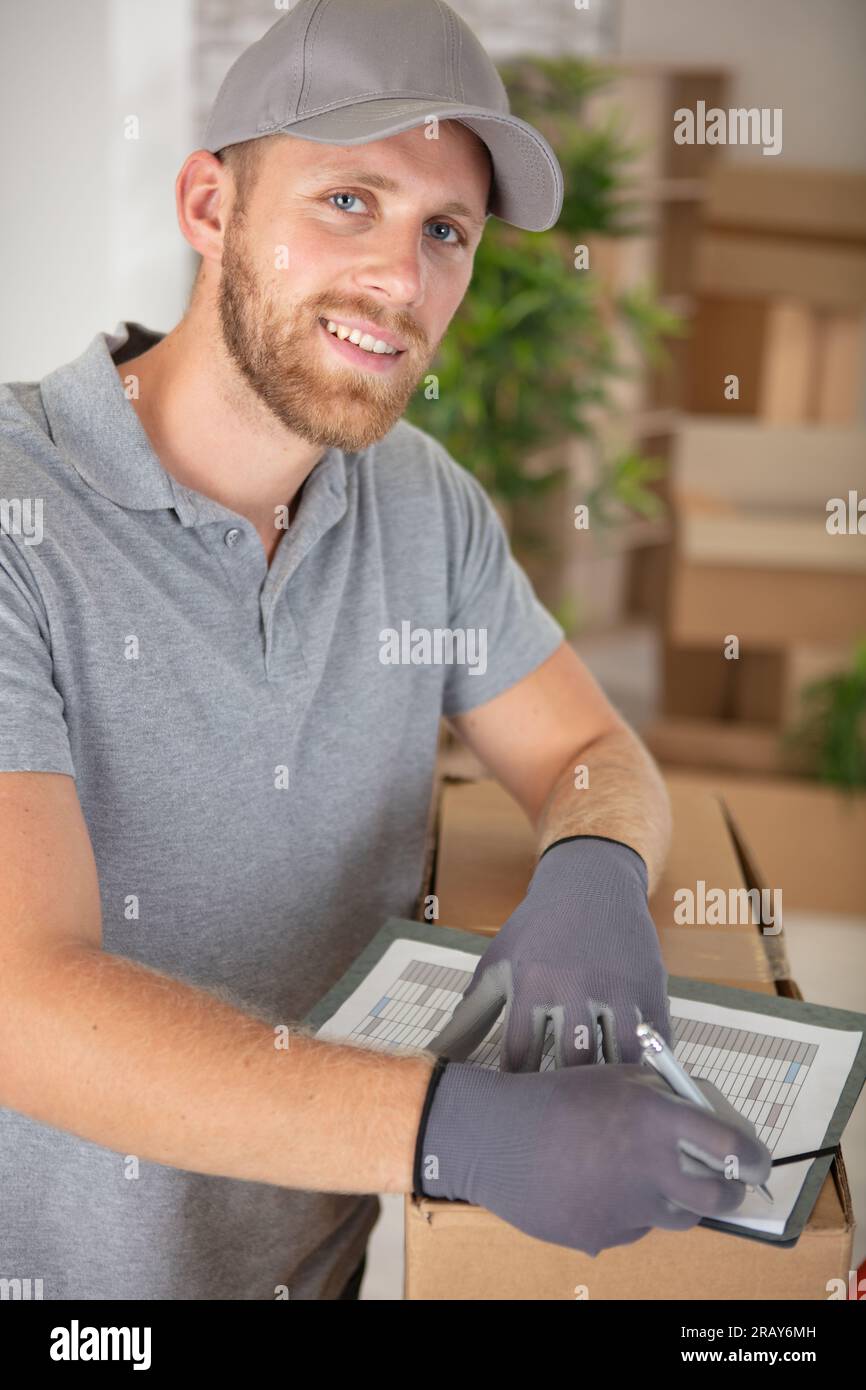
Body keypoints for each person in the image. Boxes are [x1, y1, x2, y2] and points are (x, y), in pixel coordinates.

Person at [0, 0, 770, 1301]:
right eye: (348, 199)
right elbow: (22, 1004)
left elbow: (590, 747)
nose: (400, 281)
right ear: (207, 204)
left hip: (318, 1269)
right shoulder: (21, 513)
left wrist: (590, 869)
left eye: (444, 232)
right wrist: (448, 1132)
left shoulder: (421, 504)